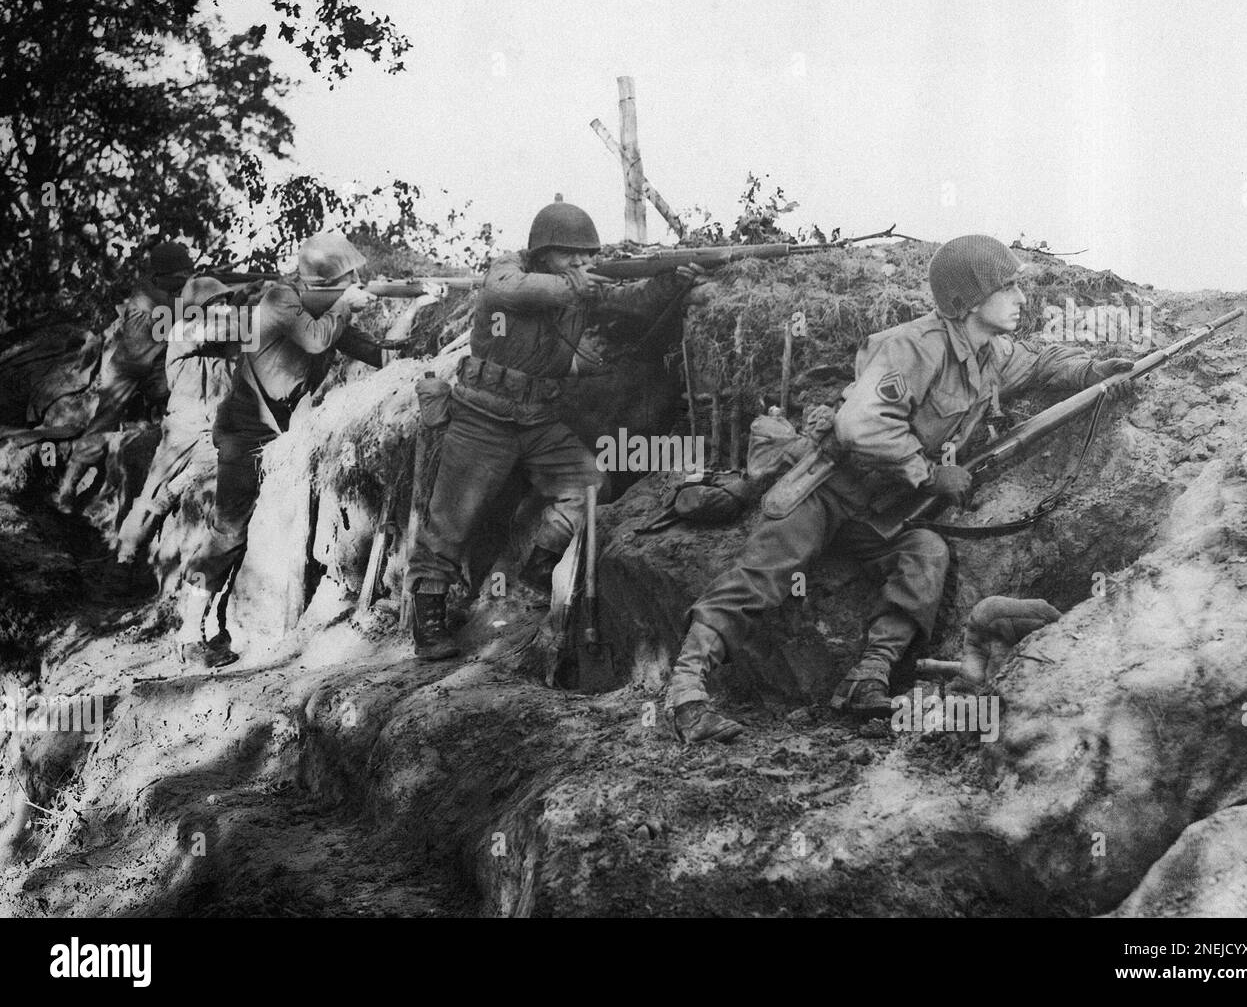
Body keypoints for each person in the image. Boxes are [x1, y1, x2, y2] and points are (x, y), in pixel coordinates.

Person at [664, 234, 1135, 743]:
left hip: (881, 510)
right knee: (765, 573)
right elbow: (860, 426)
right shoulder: (913, 346)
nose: (1021, 299)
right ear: (970, 300)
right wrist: (928, 474)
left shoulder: (988, 353)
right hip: (828, 488)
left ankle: (867, 678)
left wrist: (1094, 371)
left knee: (927, 554)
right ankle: (687, 693)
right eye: (1008, 287)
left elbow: (1039, 363)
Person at [405, 200, 707, 661]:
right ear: (544, 252)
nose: (583, 264)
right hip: (481, 418)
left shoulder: (580, 284)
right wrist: (574, 284)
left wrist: (670, 281)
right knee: (449, 522)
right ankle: (427, 621)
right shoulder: (509, 271)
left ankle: (537, 568)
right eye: (571, 255)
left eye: (587, 256)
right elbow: (505, 288)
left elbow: (631, 301)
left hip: (538, 420)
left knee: (590, 484)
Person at [178, 232, 391, 667]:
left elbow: (376, 355)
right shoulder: (281, 298)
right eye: (348, 278)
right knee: (228, 530)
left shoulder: (324, 311)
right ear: (325, 278)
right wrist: (347, 305)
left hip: (282, 435)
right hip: (245, 431)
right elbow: (315, 340)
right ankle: (188, 630)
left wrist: (417, 313)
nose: (354, 284)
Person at [107, 276, 242, 592]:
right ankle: (123, 561)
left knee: (209, 487)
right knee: (149, 496)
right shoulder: (183, 332)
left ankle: (175, 497)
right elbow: (226, 329)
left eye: (225, 303)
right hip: (181, 430)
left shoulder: (230, 340)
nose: (223, 308)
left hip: (215, 432)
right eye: (215, 304)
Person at [56, 241, 193, 511]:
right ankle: (68, 487)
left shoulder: (165, 291)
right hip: (126, 371)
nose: (185, 280)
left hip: (155, 371)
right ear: (163, 275)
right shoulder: (149, 295)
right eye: (180, 276)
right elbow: (186, 309)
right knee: (101, 425)